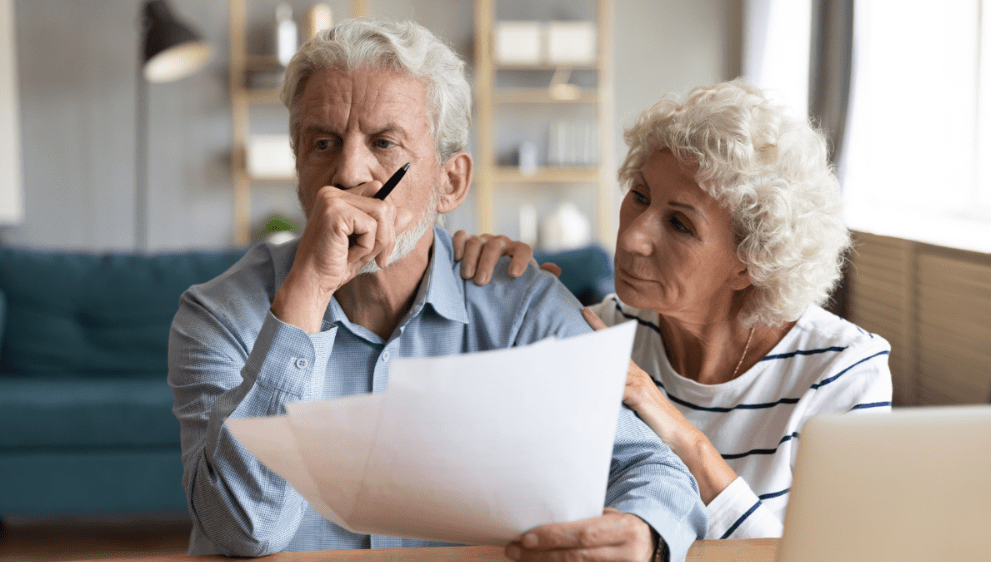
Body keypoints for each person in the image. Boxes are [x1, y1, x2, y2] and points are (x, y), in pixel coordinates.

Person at [168, 18, 707, 561]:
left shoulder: (524, 309)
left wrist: (643, 531)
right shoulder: (218, 315)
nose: (348, 171)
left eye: (384, 143)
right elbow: (245, 530)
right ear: (299, 167)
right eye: (323, 143)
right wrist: (307, 291)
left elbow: (650, 469)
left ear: (450, 182)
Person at [454, 79, 893, 540]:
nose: (631, 238)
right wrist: (493, 296)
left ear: (750, 263)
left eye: (680, 224)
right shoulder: (604, 329)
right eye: (640, 196)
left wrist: (681, 435)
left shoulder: (844, 372)